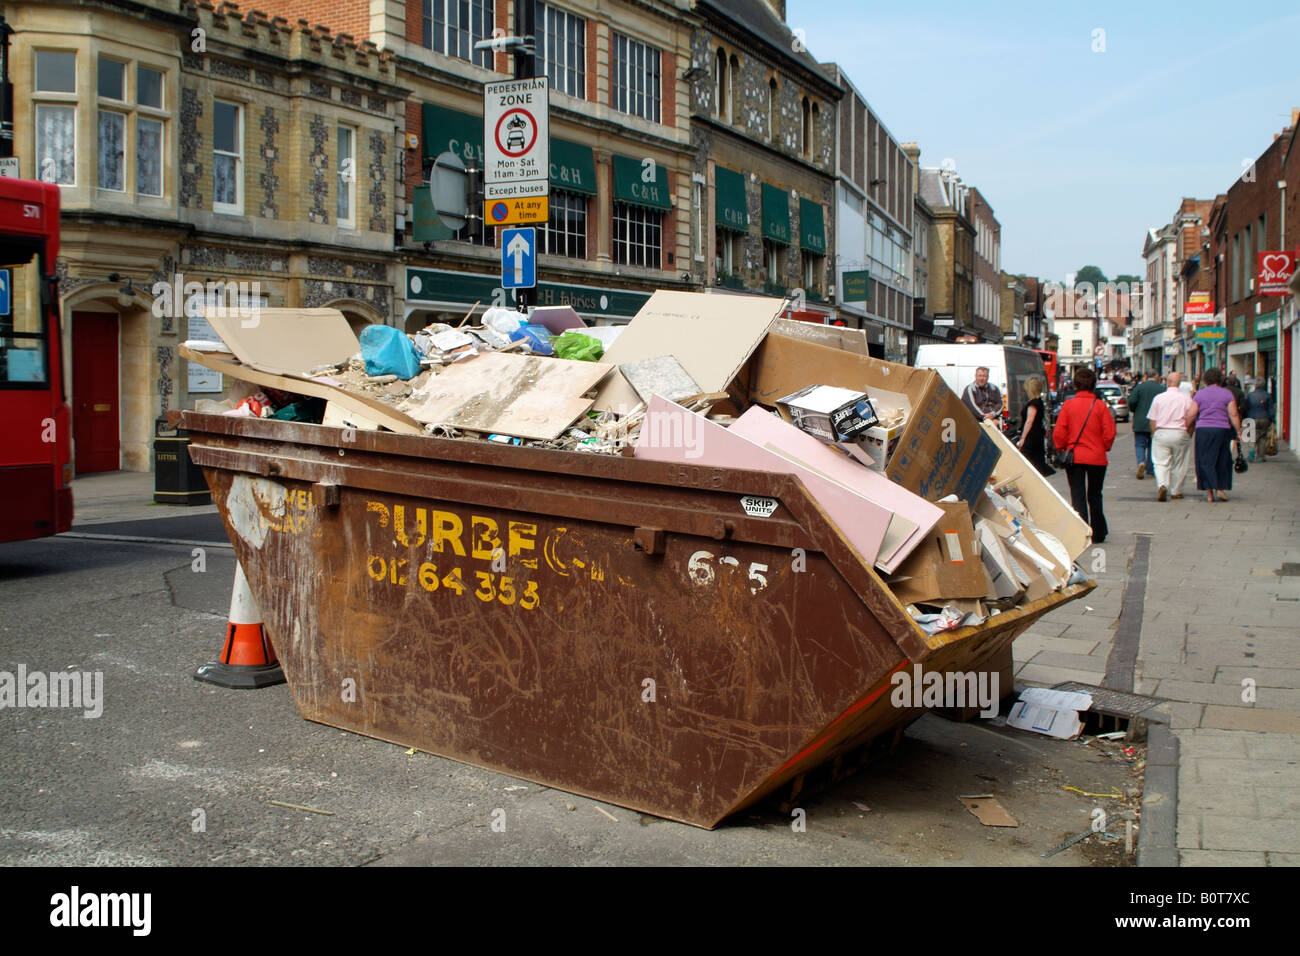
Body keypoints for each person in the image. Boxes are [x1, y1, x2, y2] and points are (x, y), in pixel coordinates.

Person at [1052, 366, 1116, 543]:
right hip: (1096, 456)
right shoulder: (1100, 406)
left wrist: (1062, 448)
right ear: (1093, 384)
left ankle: (1082, 530)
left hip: (1075, 456)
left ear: (1076, 384)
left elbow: (1059, 432)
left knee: (1077, 494)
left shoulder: (1069, 405)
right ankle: (1098, 531)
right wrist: (1103, 446)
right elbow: (1109, 433)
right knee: (1095, 494)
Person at [1187, 366, 1242, 503]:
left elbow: (1192, 414)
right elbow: (1234, 414)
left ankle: (1210, 492)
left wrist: (1186, 426)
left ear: (1206, 379)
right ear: (1220, 378)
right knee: (1222, 459)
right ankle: (1220, 489)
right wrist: (1239, 431)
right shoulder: (1227, 394)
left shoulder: (1200, 394)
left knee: (1205, 460)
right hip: (1222, 429)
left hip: (1204, 430)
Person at [1146, 371, 1196, 501]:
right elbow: (1191, 417)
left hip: (1162, 431)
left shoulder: (1158, 398)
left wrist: (1154, 434)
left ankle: (1162, 484)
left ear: (1167, 382)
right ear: (1179, 384)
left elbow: (1152, 420)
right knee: (1180, 463)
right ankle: (1176, 491)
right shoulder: (1186, 399)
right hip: (1180, 432)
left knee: (1160, 462)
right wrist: (1189, 433)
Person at [1127, 370, 1163, 479]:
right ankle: (1150, 470)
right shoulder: (1161, 389)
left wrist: (1135, 410)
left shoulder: (1139, 388)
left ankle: (1141, 462)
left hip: (1140, 421)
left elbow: (1131, 401)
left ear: (1146, 376)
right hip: (1156, 422)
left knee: (1140, 444)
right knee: (1153, 446)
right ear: (1157, 377)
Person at [1016, 376, 1054, 476]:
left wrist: (1023, 438)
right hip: (1038, 435)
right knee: (1036, 459)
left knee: (1028, 458)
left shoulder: (1033, 403)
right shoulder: (1039, 402)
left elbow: (1029, 421)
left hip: (1031, 436)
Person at [1242, 378, 1275, 462]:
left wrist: (1245, 417)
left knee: (1251, 436)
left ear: (1255, 385)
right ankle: (1261, 456)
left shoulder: (1250, 395)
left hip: (1252, 417)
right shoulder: (1267, 395)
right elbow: (1271, 409)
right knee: (1262, 437)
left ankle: (1252, 450)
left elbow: (1245, 407)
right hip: (1264, 418)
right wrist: (1272, 419)